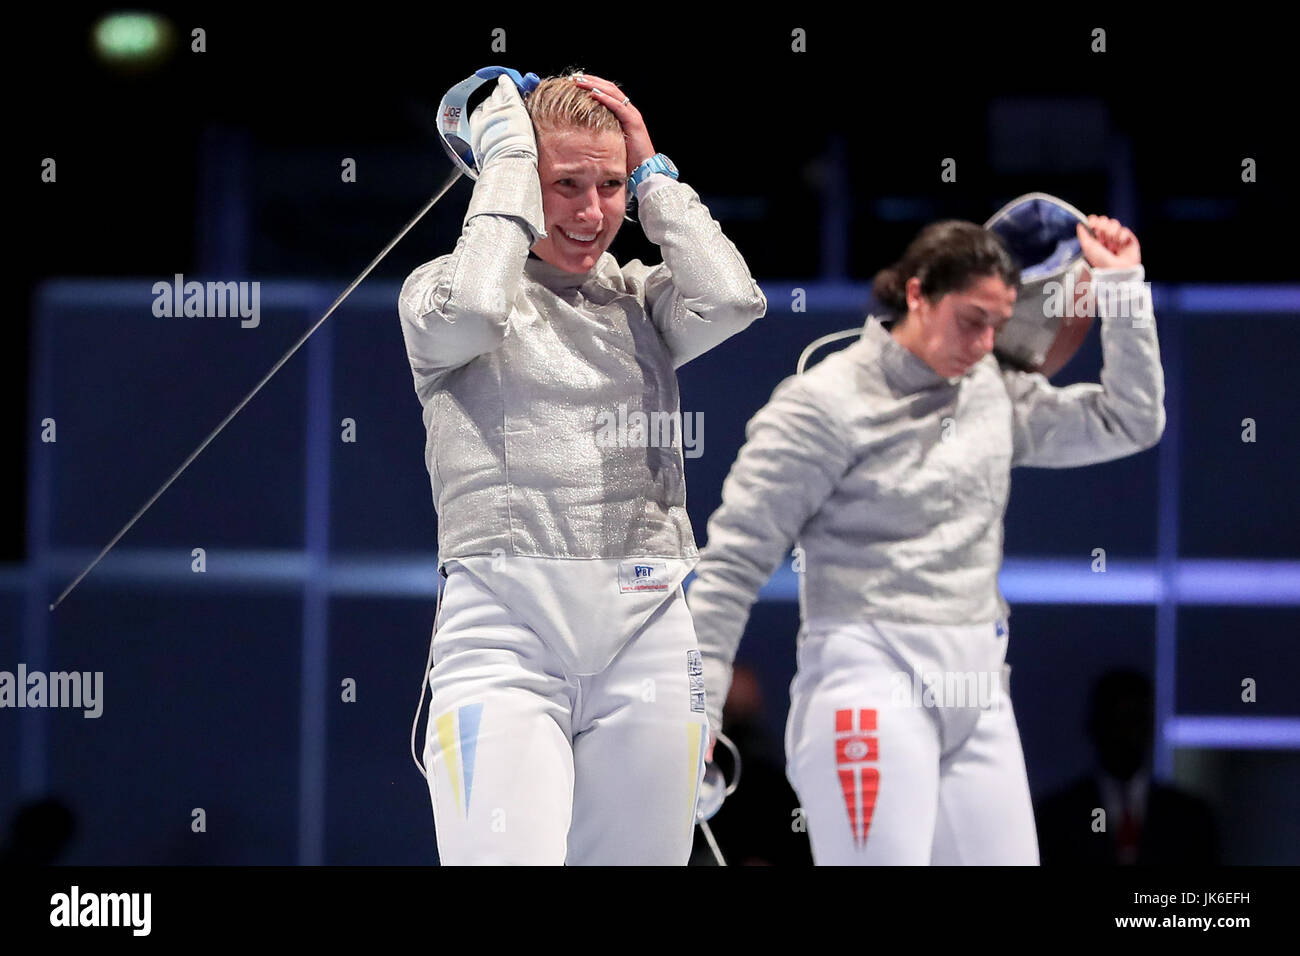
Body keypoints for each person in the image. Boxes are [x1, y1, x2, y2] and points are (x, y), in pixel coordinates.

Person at [686, 216, 1164, 864]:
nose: (986, 342)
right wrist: (698, 707)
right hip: (868, 689)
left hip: (979, 693)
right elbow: (734, 560)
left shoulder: (991, 390)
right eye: (971, 320)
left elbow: (1130, 420)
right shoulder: (821, 404)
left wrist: (1125, 290)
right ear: (917, 294)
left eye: (997, 325)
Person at [398, 70, 766, 864]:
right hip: (504, 634)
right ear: (517, 180)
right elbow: (475, 308)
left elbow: (734, 301)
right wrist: (501, 153)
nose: (593, 212)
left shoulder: (642, 301)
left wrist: (654, 175)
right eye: (565, 184)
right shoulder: (438, 298)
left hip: (648, 630)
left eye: (608, 185)